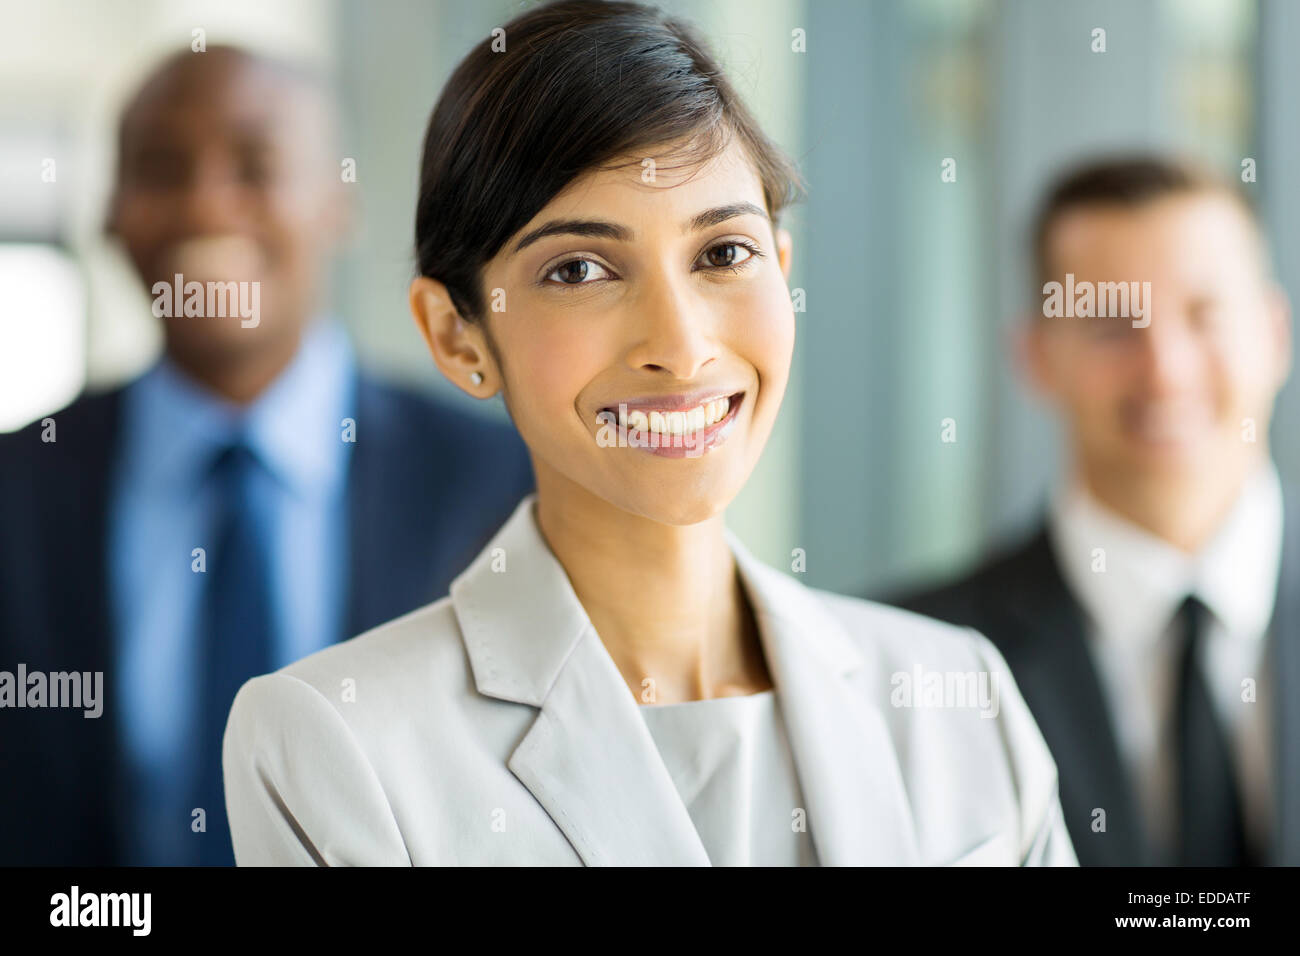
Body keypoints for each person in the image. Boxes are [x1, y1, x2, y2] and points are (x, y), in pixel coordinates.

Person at [222, 0, 1075, 867]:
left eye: (722, 254)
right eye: (581, 269)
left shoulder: (960, 696)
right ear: (458, 335)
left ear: (782, 270)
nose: (680, 346)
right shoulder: (338, 742)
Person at [0, 46, 533, 865]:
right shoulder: (18, 489)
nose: (207, 205)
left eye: (256, 165)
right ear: (110, 212)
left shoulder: (499, 486)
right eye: (161, 168)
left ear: (337, 201)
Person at [896, 156, 1298, 866]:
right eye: (1113, 326)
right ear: (1037, 357)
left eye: (1205, 316)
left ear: (1275, 335)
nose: (1166, 369)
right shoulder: (912, 660)